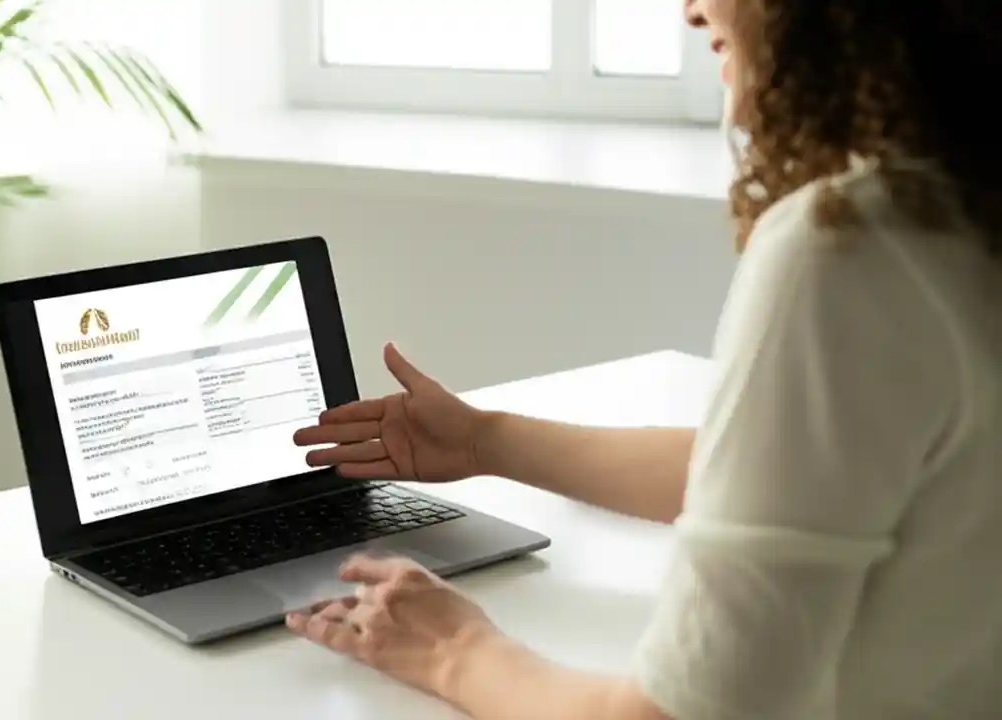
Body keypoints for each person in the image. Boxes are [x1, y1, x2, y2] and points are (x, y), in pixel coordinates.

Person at [285, 0, 1002, 717]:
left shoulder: (851, 250)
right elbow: (782, 473)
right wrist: (485, 439)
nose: (690, 10)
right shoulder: (963, 210)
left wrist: (454, 650)